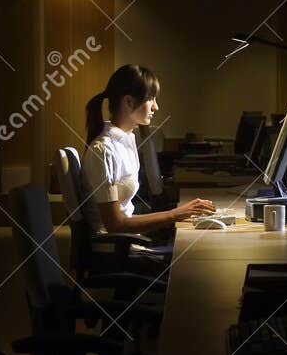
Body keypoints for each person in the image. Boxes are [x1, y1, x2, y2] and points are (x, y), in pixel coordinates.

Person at [82, 64, 215, 233]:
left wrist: (177, 214)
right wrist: (174, 214)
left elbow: (125, 216)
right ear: (128, 102)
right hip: (115, 249)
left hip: (125, 242)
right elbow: (115, 224)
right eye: (150, 99)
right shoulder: (104, 149)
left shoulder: (126, 139)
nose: (155, 107)